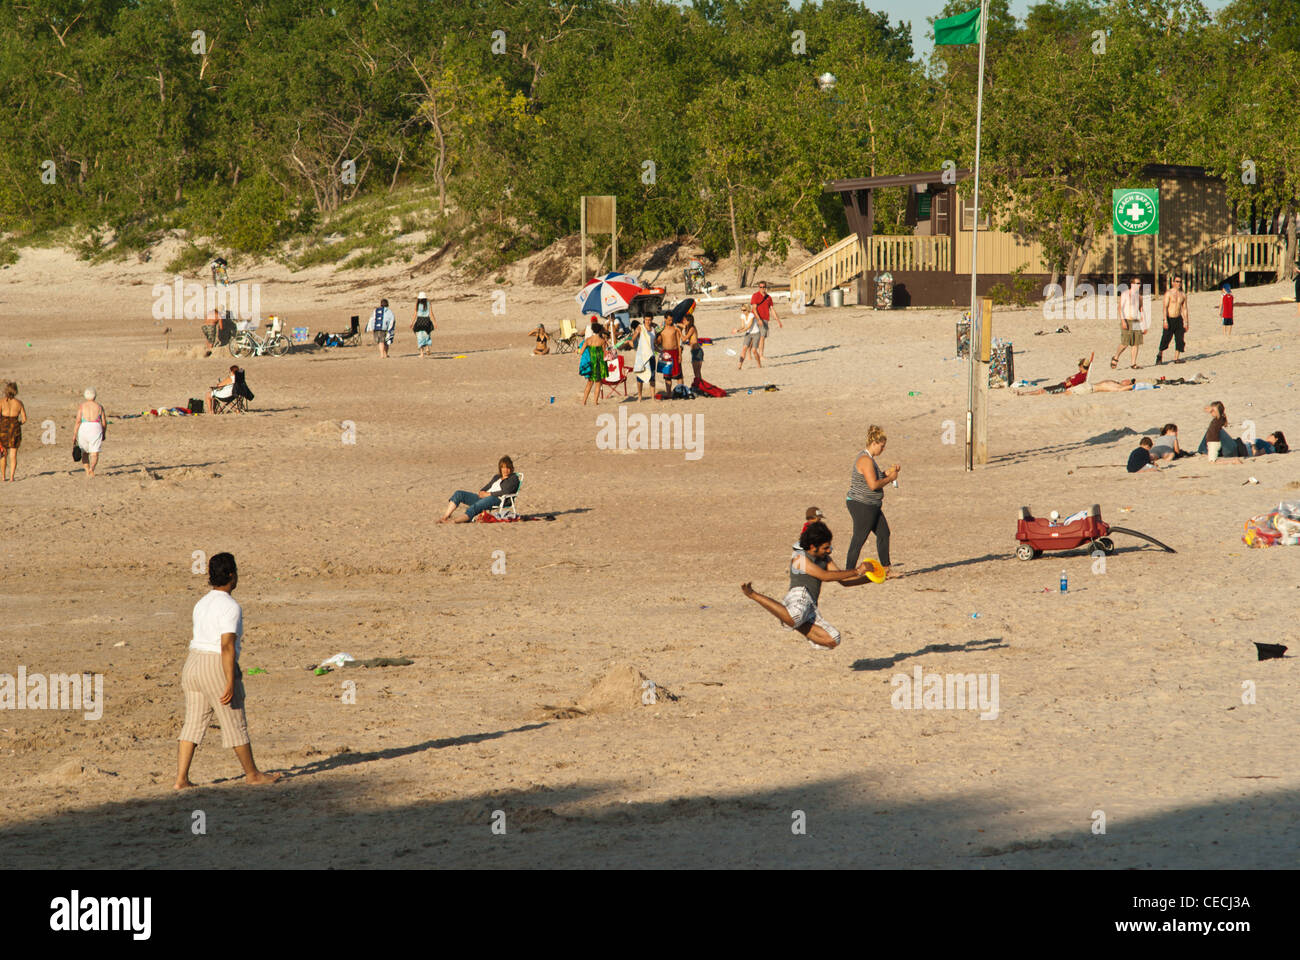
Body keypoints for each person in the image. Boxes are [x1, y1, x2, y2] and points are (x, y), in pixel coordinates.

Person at [175, 552, 280, 788]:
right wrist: (230, 680)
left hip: (192, 664)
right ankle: (252, 774)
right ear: (232, 575)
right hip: (214, 665)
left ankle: (181, 779)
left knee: (192, 723)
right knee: (234, 721)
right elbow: (226, 646)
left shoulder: (201, 603)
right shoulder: (231, 606)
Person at [740, 521, 869, 650]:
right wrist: (857, 570)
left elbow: (845, 581)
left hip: (811, 605)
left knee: (833, 639)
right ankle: (754, 595)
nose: (829, 550)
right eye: (825, 547)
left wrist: (874, 577)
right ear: (813, 547)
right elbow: (824, 576)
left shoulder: (825, 559)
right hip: (800, 595)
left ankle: (791, 621)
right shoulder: (799, 559)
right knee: (795, 616)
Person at [845, 425, 898, 575]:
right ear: (874, 444)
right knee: (859, 538)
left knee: (884, 533)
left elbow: (873, 478)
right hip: (862, 504)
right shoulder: (865, 459)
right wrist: (890, 479)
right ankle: (848, 572)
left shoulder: (870, 459)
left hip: (872, 505)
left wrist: (886, 473)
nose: (883, 449)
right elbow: (873, 485)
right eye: (882, 446)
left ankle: (886, 569)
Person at [438, 456, 519, 523]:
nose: (505, 470)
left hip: (498, 499)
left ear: (511, 468)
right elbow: (487, 486)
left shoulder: (513, 478)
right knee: (459, 494)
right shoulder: (497, 477)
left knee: (475, 507)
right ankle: (445, 517)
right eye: (503, 468)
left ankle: (455, 521)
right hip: (485, 497)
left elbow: (506, 491)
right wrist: (482, 492)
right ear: (500, 468)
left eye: (508, 468)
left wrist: (489, 494)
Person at [1110, 277, 1146, 370]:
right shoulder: (1126, 294)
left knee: (1136, 343)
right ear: (1132, 284)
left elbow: (1141, 309)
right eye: (1137, 283)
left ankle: (1133, 363)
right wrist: (1123, 321)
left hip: (1136, 320)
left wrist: (1144, 323)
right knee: (1125, 343)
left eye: (1139, 283)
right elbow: (1120, 308)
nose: (1139, 285)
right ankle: (1116, 357)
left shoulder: (1139, 296)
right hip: (1127, 319)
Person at [1016, 352, 1093, 394]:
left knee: (1042, 390)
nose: (1078, 366)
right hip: (1063, 385)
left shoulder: (1081, 376)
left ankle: (1024, 393)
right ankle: (1024, 393)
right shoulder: (1082, 373)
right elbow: (1070, 377)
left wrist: (1068, 380)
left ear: (1082, 366)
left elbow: (1069, 384)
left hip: (1063, 387)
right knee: (1043, 389)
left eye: (1079, 365)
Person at [73, 388, 106, 478]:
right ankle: (92, 469)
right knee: (94, 453)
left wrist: (74, 434)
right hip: (96, 427)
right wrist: (104, 432)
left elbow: (78, 421)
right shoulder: (99, 407)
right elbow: (103, 422)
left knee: (84, 452)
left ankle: (87, 470)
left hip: (84, 428)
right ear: (95, 395)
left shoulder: (82, 406)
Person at [1156, 276, 1189, 365]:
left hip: (1178, 319)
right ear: (1173, 282)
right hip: (1170, 318)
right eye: (1177, 281)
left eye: (1180, 282)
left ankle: (1176, 358)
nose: (1178, 283)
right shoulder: (1169, 293)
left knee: (1179, 338)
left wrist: (1186, 322)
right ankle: (1159, 355)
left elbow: (1184, 308)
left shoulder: (1182, 294)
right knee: (1166, 338)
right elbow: (1165, 307)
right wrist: (1165, 320)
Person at [750, 280, 782, 364]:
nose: (762, 289)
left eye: (763, 287)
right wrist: (758, 319)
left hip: (765, 319)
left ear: (766, 287)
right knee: (754, 337)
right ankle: (749, 353)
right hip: (755, 318)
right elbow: (754, 308)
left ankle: (761, 355)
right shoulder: (755, 296)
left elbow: (772, 309)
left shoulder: (768, 297)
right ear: (759, 287)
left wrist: (778, 320)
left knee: (762, 337)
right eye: (760, 287)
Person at [0, 381, 27, 482]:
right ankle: (11, 477)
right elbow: (24, 419)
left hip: (3, 429)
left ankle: (3, 476)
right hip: (14, 428)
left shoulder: (1, 402)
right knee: (13, 454)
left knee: (3, 453)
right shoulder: (19, 403)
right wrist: (18, 424)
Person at [580, 321, 610, 406]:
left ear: (592, 330)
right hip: (599, 363)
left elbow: (581, 352)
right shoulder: (602, 340)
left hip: (591, 363)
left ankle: (584, 401)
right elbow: (605, 352)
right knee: (598, 383)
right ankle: (595, 402)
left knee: (589, 383)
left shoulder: (588, 340)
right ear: (600, 330)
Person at [628, 319, 658, 401]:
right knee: (640, 377)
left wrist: (660, 350)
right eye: (646, 320)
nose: (648, 321)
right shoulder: (640, 328)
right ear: (644, 320)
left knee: (652, 377)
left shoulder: (653, 330)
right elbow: (633, 337)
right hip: (641, 357)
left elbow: (654, 345)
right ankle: (640, 397)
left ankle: (652, 397)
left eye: (649, 319)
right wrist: (631, 341)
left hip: (651, 356)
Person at [659, 313, 684, 397]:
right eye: (669, 320)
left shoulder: (675, 328)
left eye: (671, 319)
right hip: (665, 353)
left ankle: (680, 392)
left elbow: (678, 342)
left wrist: (680, 355)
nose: (671, 321)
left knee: (678, 374)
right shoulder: (661, 329)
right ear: (665, 319)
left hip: (675, 352)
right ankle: (668, 393)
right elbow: (658, 341)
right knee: (667, 375)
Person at [682, 312, 705, 384]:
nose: (683, 321)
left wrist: (679, 332)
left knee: (697, 372)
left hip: (697, 351)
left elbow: (684, 339)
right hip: (694, 351)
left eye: (684, 320)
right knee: (697, 372)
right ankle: (700, 386)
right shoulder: (688, 327)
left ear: (688, 321)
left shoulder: (691, 328)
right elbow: (681, 325)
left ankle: (700, 386)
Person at [412, 292, 436, 358]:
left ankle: (422, 353)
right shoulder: (428, 304)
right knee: (427, 334)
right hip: (427, 320)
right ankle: (427, 348)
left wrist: (412, 322)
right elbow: (431, 314)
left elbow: (415, 314)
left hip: (419, 321)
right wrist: (434, 322)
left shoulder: (417, 304)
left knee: (419, 336)